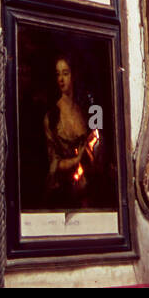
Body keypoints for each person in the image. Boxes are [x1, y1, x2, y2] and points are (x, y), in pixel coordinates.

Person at [43, 58, 101, 206]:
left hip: (89, 187)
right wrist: (76, 160)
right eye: (58, 74)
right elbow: (53, 164)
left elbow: (96, 145)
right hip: (65, 192)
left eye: (65, 73)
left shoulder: (85, 110)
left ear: (73, 75)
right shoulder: (52, 116)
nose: (61, 80)